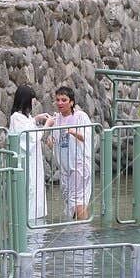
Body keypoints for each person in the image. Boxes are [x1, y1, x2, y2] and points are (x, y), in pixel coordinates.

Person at [45, 85, 93, 221]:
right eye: (58, 100)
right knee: (69, 200)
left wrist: (72, 131)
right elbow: (54, 141)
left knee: (78, 200)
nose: (60, 103)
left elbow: (86, 137)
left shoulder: (80, 116)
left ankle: (82, 230)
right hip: (65, 167)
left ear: (71, 102)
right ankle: (76, 227)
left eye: (64, 100)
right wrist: (50, 140)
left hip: (79, 165)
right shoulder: (57, 119)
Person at [6, 84, 49, 224]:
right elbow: (30, 137)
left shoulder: (25, 117)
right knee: (30, 190)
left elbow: (28, 126)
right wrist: (47, 125)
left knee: (36, 189)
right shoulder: (16, 117)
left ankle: (37, 221)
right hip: (27, 162)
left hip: (34, 162)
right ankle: (29, 223)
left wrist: (36, 118)